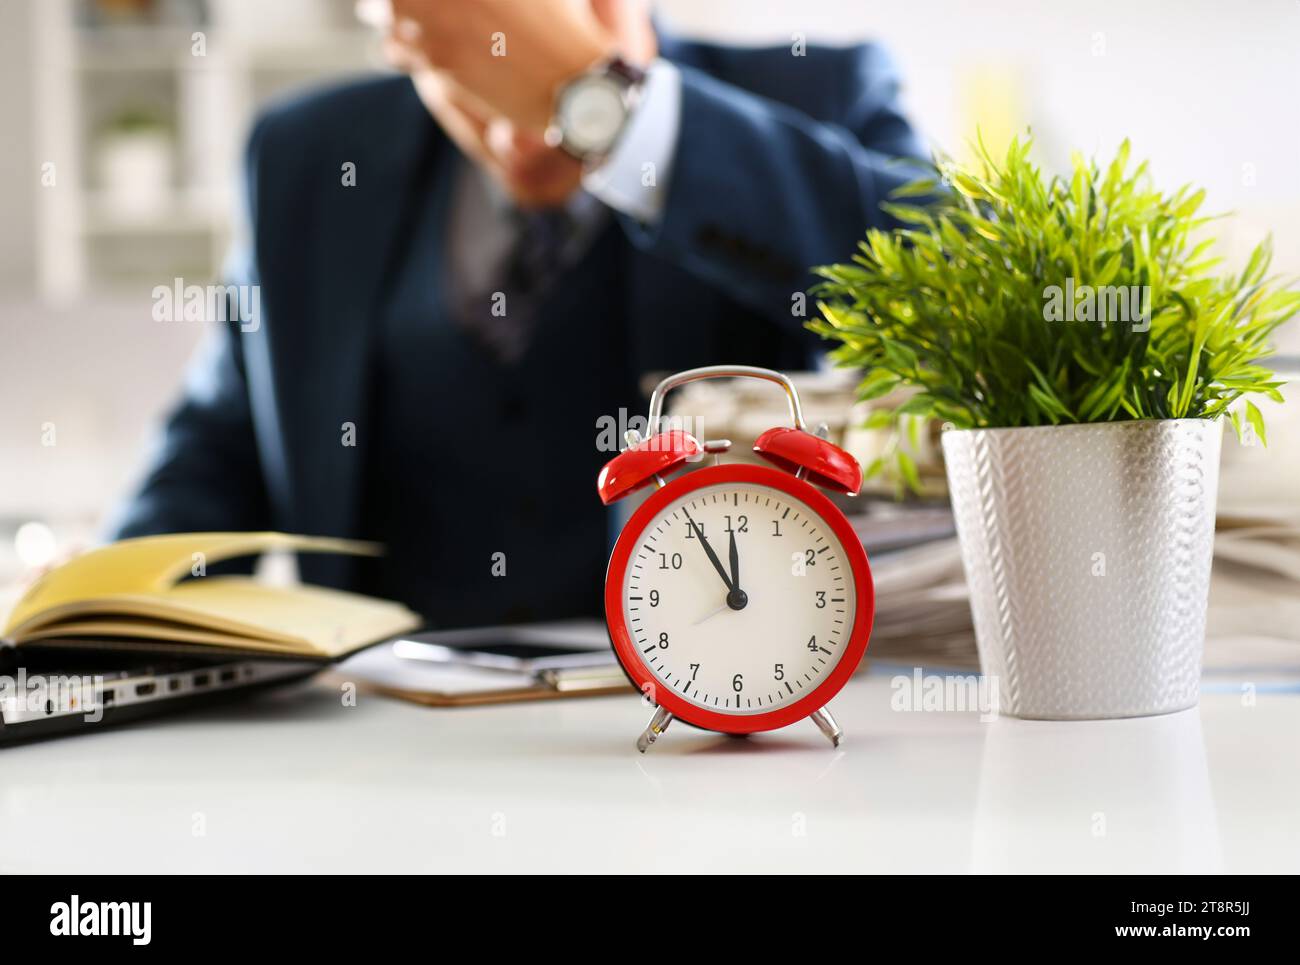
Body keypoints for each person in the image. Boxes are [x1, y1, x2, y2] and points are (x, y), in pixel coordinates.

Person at [110, 0, 928, 628]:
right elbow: (218, 452)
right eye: (474, 58)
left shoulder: (819, 95)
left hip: (715, 752)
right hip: (385, 765)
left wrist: (619, 115)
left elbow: (963, 294)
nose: (525, 128)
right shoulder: (308, 156)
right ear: (403, 30)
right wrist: (90, 615)